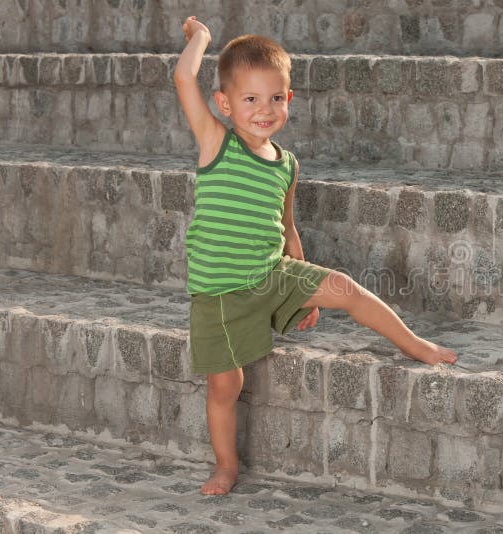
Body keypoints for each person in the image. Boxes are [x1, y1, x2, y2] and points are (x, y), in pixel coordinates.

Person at [173, 16, 457, 495]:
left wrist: (305, 290)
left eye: (276, 98)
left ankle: (415, 345)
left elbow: (286, 225)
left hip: (271, 275)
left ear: (290, 100)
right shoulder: (216, 142)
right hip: (220, 294)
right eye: (250, 99)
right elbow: (184, 78)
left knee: (345, 287)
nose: (264, 110)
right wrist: (200, 39)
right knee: (226, 386)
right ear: (223, 104)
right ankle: (226, 466)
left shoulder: (287, 164)